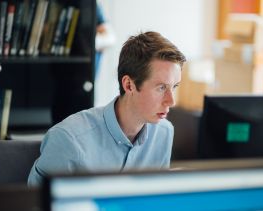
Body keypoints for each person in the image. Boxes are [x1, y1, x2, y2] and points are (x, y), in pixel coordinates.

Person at [28, 31, 186, 186]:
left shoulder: (164, 132)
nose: (171, 101)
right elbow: (34, 204)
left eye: (174, 87)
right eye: (161, 88)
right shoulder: (69, 139)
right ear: (129, 85)